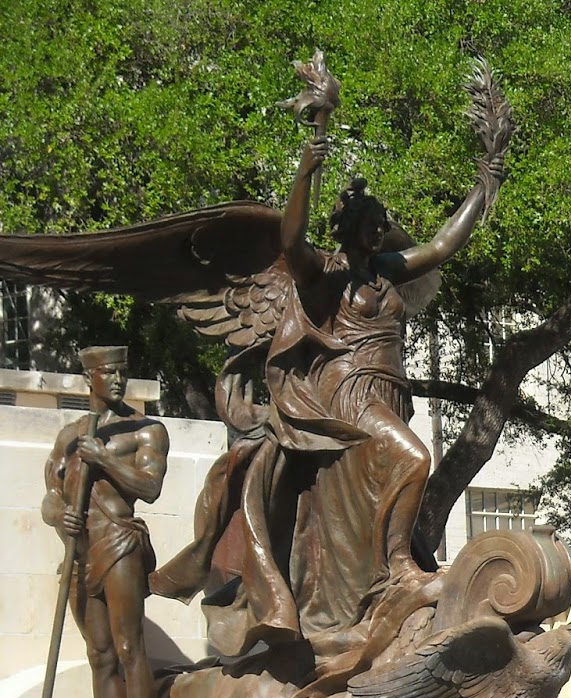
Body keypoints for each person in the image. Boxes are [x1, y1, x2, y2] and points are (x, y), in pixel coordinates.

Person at [153, 135, 502, 661]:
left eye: (383, 220)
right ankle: (400, 568)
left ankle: (381, 578)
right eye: (372, 219)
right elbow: (289, 239)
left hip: (386, 393)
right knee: (414, 457)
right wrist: (305, 170)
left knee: (371, 502)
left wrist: (485, 182)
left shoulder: (386, 271)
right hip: (348, 394)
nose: (381, 227)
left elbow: (441, 245)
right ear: (349, 227)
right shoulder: (323, 271)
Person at [42, 347, 169, 698]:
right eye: (107, 373)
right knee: (100, 656)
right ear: (88, 377)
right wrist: (58, 515)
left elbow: (150, 487)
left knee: (130, 648)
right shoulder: (70, 435)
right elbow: (50, 496)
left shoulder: (146, 429)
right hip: (80, 551)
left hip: (119, 542)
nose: (116, 380)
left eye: (122, 372)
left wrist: (106, 460)